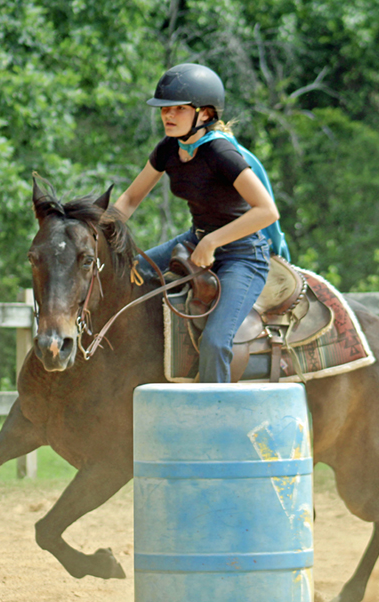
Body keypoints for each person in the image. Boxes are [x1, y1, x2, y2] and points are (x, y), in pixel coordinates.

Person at [113, 63, 279, 383]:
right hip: (196, 238)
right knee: (129, 273)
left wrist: (212, 242)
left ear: (204, 114)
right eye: (164, 109)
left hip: (243, 255)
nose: (168, 116)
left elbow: (267, 211)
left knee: (216, 342)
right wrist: (100, 232)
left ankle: (214, 414)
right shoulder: (169, 149)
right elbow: (130, 200)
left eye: (178, 109)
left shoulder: (221, 153)